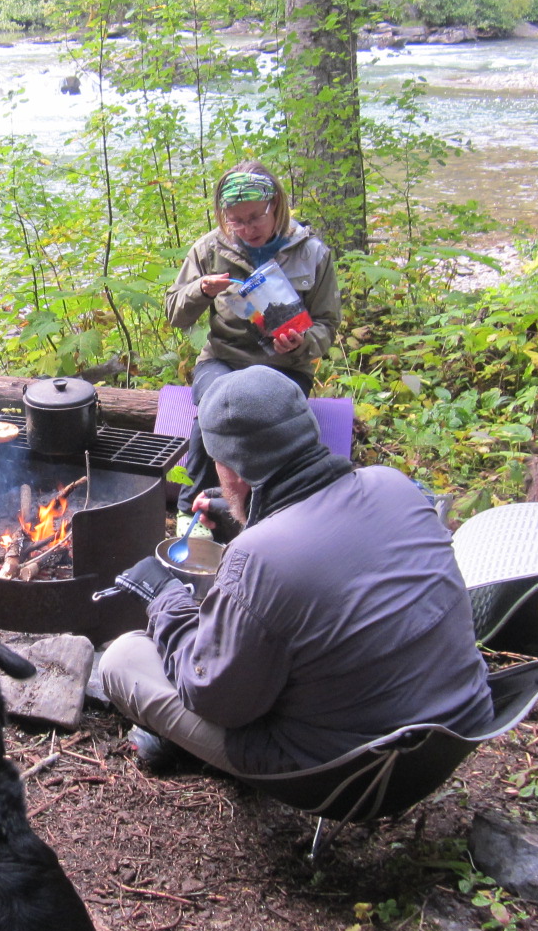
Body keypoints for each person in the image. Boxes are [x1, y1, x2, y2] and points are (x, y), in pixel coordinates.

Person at [99, 365, 491, 778]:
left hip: (356, 773)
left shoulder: (259, 558)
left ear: (230, 469)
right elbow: (335, 550)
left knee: (123, 658)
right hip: (455, 735)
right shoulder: (393, 485)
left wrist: (165, 600)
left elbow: (210, 694)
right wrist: (247, 519)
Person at [165, 161, 341, 521]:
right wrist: (200, 289)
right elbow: (175, 314)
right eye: (236, 221)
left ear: (275, 205)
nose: (247, 229)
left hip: (284, 366)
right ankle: (191, 513)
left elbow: (327, 325)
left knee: (267, 422)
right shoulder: (209, 249)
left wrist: (301, 344)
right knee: (218, 407)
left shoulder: (312, 253)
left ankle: (267, 511)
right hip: (222, 361)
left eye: (255, 217)